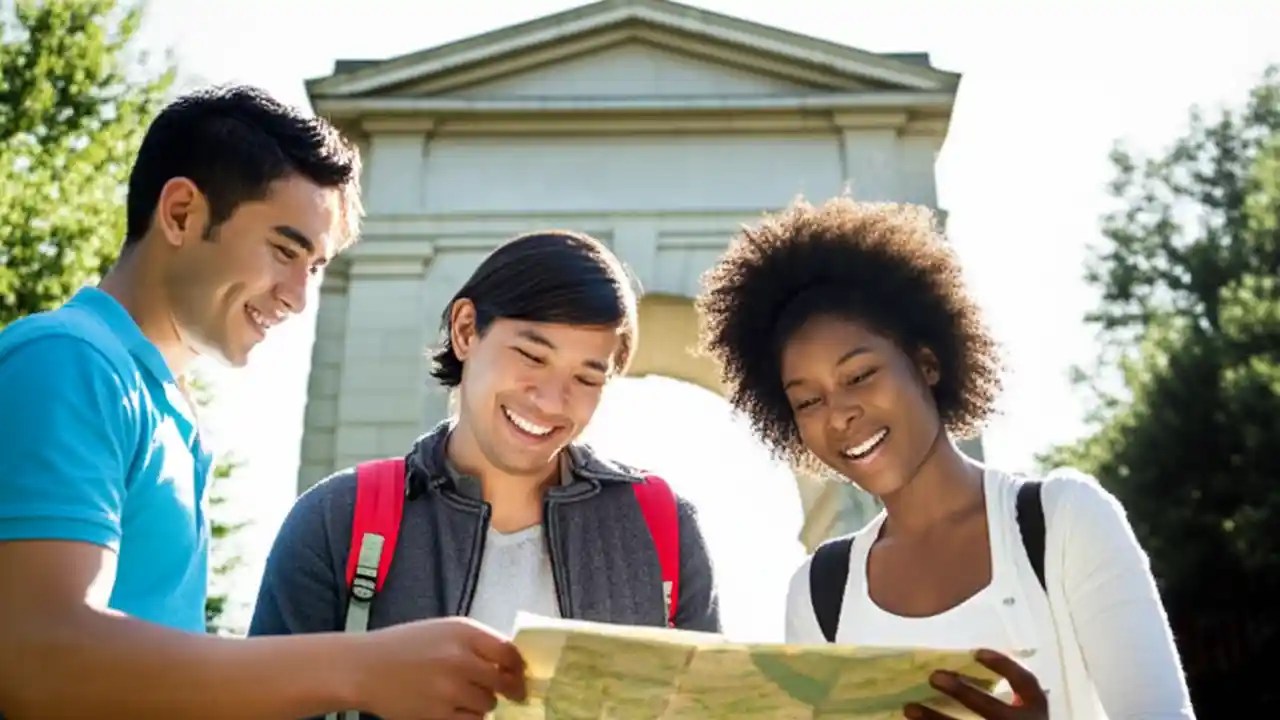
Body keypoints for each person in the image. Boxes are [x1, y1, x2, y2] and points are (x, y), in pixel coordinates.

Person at [0, 84, 525, 720]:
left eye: (317, 265)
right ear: (181, 213)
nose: (299, 296)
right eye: (285, 250)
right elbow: (35, 656)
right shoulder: (67, 360)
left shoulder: (171, 409)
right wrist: (358, 668)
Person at [694, 197, 1195, 719]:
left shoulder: (1063, 522)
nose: (839, 414)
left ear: (927, 364)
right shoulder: (820, 592)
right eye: (808, 400)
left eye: (860, 375)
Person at [249, 230, 720, 661]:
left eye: (586, 377)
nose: (552, 401)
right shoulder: (339, 519)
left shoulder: (664, 529)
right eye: (532, 356)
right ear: (466, 330)